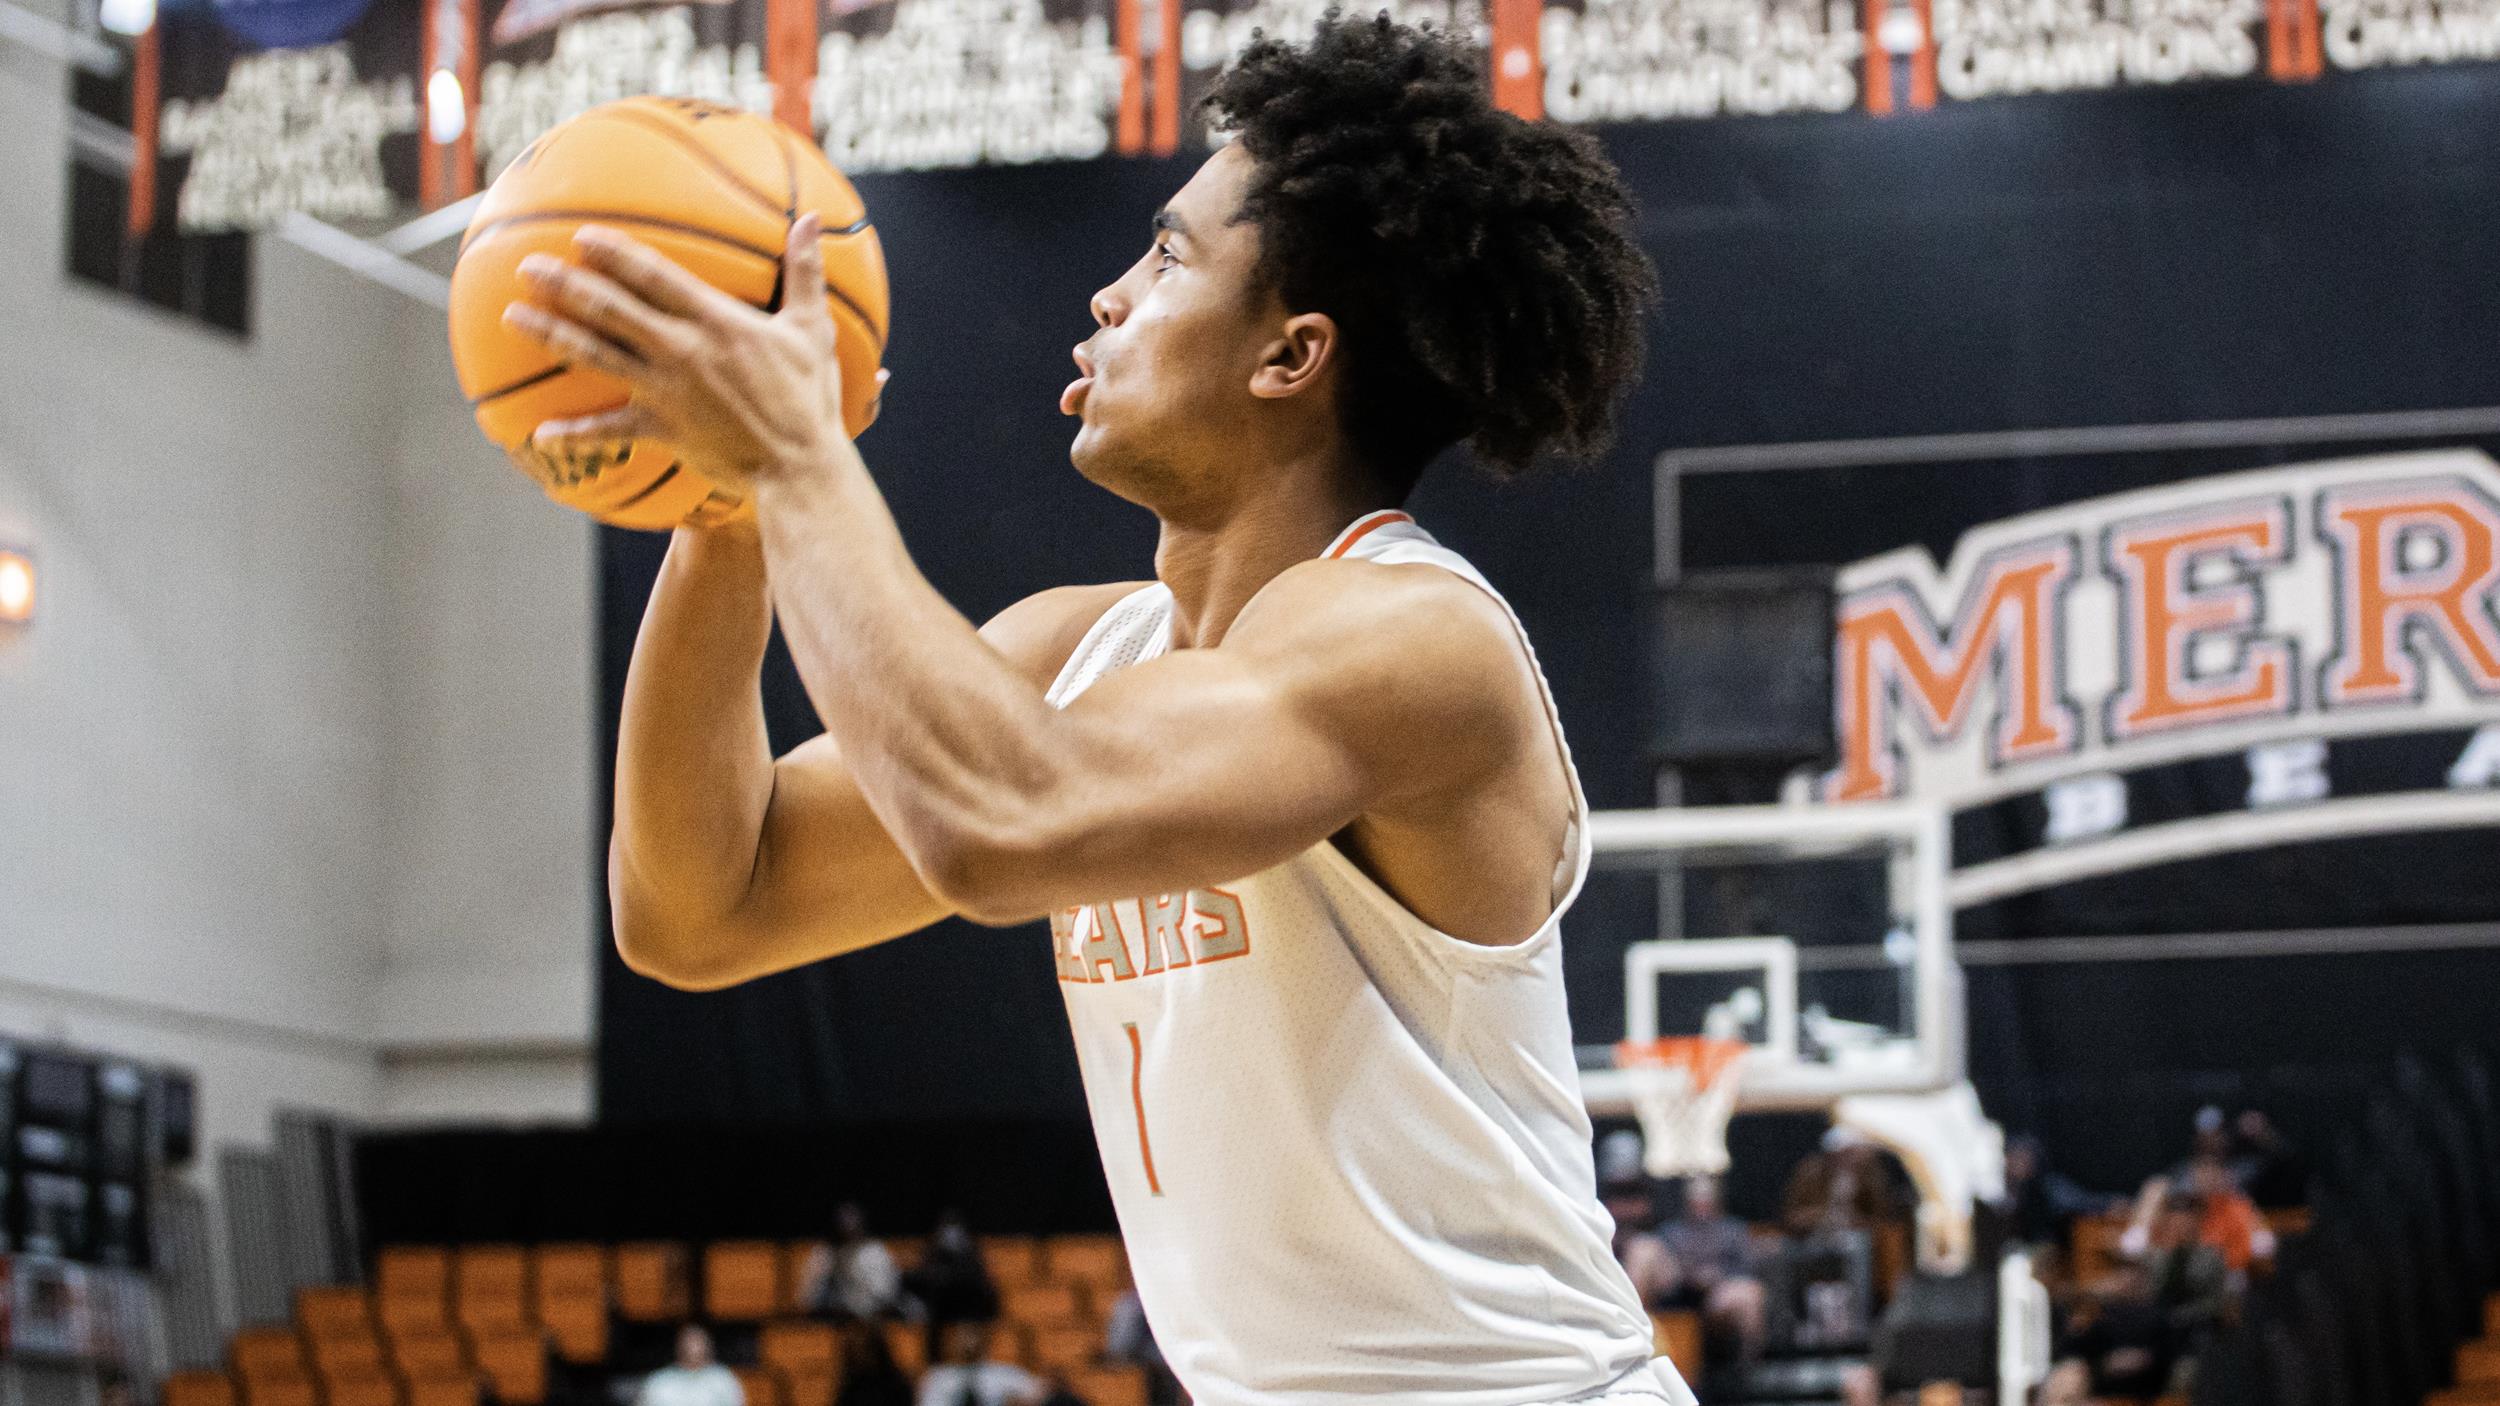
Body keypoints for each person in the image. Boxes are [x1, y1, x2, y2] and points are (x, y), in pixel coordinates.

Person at [559, 11, 1673, 1406]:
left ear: (1290, 355)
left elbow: (1002, 826)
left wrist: (796, 461)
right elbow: (699, 907)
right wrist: (722, 516)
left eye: (1166, 256)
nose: (1110, 293)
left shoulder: (1412, 640)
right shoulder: (1076, 654)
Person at [1623, 1176, 1766, 1363]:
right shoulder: (1671, 1231)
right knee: (1643, 1247)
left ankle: (1749, 1368)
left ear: (1717, 1200)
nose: (1701, 1205)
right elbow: (1665, 1267)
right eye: (1696, 1199)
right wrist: (1690, 1274)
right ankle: (1627, 1331)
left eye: (1706, 1199)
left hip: (1718, 1296)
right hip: (1677, 1291)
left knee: (1748, 1293)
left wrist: (1715, 1277)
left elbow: (1746, 1271)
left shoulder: (1732, 1231)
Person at [798, 1202, 907, 1322]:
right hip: (834, 1319)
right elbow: (809, 1298)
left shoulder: (875, 1252)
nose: (847, 1226)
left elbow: (886, 1294)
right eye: (842, 1222)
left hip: (873, 1317)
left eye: (852, 1221)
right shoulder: (823, 1254)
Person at [915, 1323, 1043, 1406]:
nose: (968, 1342)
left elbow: (1038, 1394)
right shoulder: (937, 1377)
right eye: (962, 1337)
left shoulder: (1005, 1373)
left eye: (973, 1336)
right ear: (950, 1343)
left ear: (985, 1341)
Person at [638, 1324, 744, 1406]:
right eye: (688, 1342)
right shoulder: (660, 1381)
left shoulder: (723, 1379)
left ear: (708, 1346)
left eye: (698, 1342)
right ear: (678, 1346)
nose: (693, 1347)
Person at [834, 1323, 915, 1406]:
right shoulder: (846, 1386)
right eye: (854, 1345)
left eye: (864, 1346)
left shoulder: (894, 1386)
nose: (860, 1352)